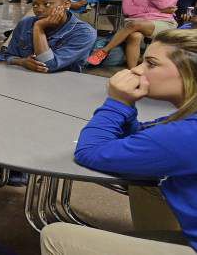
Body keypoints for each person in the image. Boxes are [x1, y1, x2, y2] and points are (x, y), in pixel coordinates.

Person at [40, 29, 197, 255]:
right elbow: (141, 140)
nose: (136, 69)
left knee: (56, 237)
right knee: (147, 185)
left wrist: (118, 102)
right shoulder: (186, 123)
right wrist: (128, 106)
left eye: (151, 64)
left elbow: (89, 151)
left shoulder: (187, 134)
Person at [88, 0, 180, 67]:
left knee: (135, 24)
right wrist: (159, 11)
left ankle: (104, 51)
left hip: (163, 23)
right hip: (134, 23)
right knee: (134, 36)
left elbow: (163, 4)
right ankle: (132, 71)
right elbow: (129, 12)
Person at [0, 0, 97, 72]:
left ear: (66, 4)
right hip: (26, 82)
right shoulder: (25, 23)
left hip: (63, 86)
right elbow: (8, 55)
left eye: (47, 4)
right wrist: (22, 62)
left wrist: (38, 27)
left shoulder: (84, 33)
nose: (39, 9)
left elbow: (48, 65)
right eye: (35, 5)